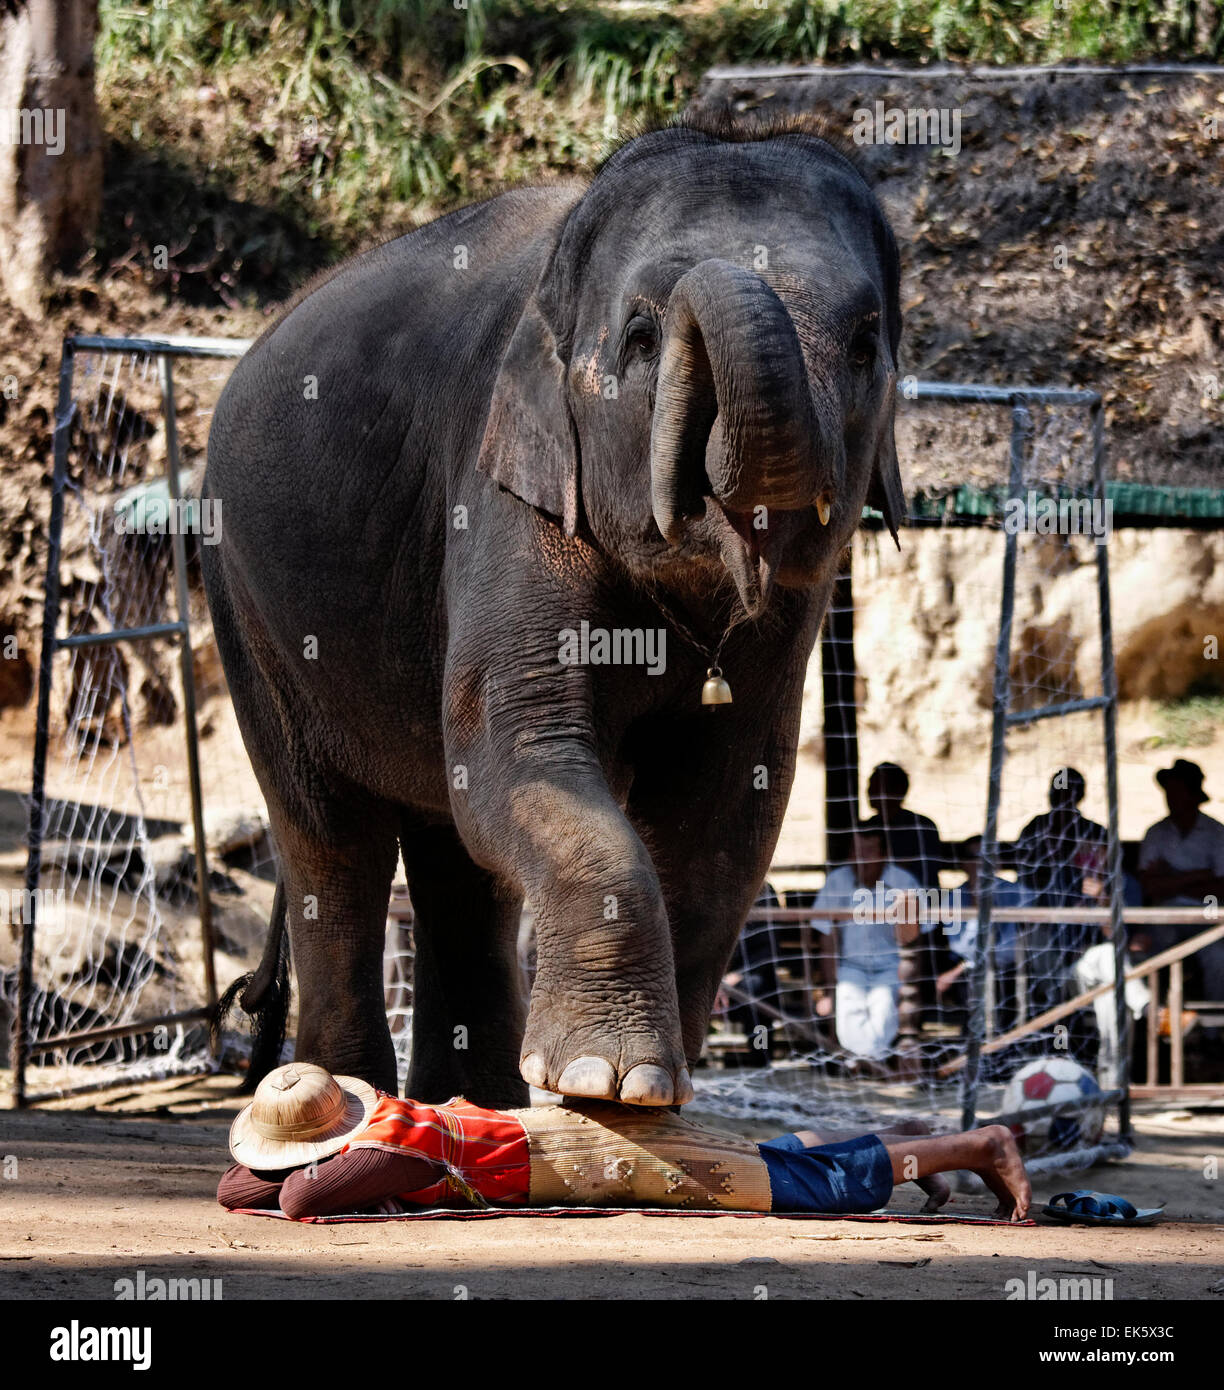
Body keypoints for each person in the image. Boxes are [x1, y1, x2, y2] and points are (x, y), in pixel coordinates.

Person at [217, 1062, 1031, 1221]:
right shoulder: (380, 1125)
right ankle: (916, 1139)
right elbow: (239, 1188)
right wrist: (298, 1156)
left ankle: (978, 1147)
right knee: (765, 1155)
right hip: (560, 1141)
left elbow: (294, 1197)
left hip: (580, 1161)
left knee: (797, 1190)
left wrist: (307, 1167)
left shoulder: (383, 1149)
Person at [811, 823, 927, 1061]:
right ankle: (868, 1063)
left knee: (884, 1010)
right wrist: (829, 989)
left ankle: (864, 1064)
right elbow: (826, 938)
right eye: (856, 851)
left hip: (891, 968)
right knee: (847, 1010)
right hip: (850, 967)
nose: (861, 859)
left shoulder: (903, 881)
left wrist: (912, 981)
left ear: (884, 854)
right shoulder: (836, 881)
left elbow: (917, 941)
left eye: (869, 852)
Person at [1014, 767, 1107, 1010]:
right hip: (1044, 916)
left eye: (1069, 793)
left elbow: (1105, 874)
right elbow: (1025, 873)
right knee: (1034, 938)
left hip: (1086, 917)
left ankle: (1063, 997)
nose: (1062, 798)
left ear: (1079, 796)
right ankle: (1056, 999)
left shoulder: (1094, 831)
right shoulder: (1036, 828)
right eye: (1058, 792)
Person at [1138, 759, 1224, 1015]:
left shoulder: (1217, 833)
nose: (1171, 798)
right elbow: (1150, 887)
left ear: (1193, 794)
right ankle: (1154, 1024)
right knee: (1143, 952)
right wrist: (1199, 876)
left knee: (1219, 958)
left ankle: (1213, 1031)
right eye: (1168, 792)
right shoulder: (1156, 833)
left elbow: (1220, 889)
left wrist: (1171, 879)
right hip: (1164, 916)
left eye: (1178, 791)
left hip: (1208, 915)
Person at [936, 836, 1034, 1034]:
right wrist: (975, 901)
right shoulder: (952, 899)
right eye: (972, 857)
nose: (979, 864)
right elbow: (960, 948)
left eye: (986, 857)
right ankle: (974, 1043)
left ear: (998, 862)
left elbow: (1009, 950)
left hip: (1010, 970)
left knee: (1001, 982)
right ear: (963, 863)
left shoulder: (1020, 894)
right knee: (970, 983)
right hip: (969, 972)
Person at [722, 882, 784, 1067]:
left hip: (754, 973)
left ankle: (761, 1059)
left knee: (756, 991)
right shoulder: (716, 886)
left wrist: (737, 975)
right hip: (715, 974)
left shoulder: (764, 891)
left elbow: (770, 947)